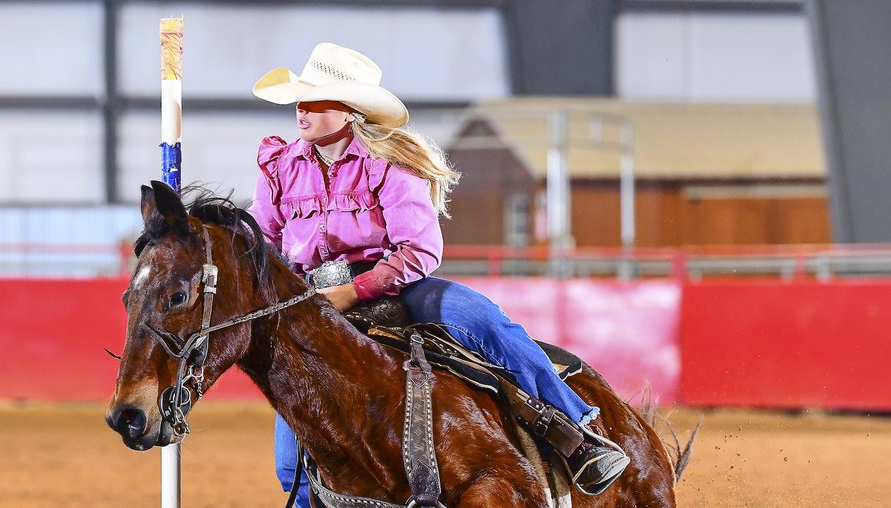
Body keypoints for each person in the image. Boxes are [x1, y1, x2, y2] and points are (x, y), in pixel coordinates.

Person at [248, 43, 629, 505]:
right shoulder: (279, 167)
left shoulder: (388, 161)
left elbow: (419, 249)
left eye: (316, 99)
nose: (301, 109)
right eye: (299, 99)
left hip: (390, 282)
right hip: (311, 296)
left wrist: (354, 290)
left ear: (349, 112)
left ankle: (576, 434)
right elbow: (262, 242)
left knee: (483, 320)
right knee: (291, 441)